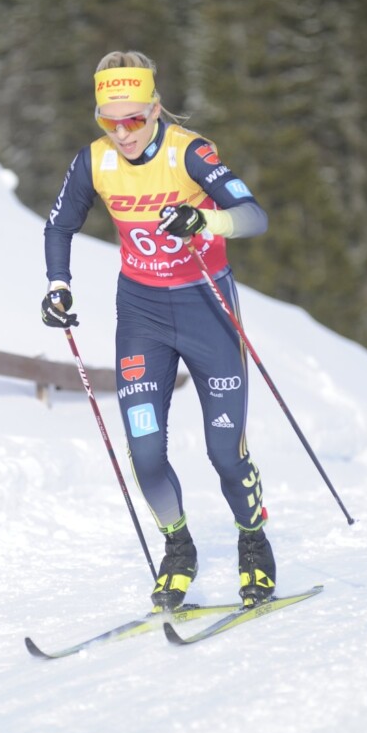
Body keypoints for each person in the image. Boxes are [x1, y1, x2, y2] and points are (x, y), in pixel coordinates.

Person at [42, 50, 276, 610]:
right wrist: (58, 285)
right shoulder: (94, 161)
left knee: (225, 452)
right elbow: (59, 225)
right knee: (145, 451)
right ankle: (179, 549)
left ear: (154, 108)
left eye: (133, 119)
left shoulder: (188, 152)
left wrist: (204, 219)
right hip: (141, 316)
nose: (122, 133)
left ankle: (253, 541)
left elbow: (253, 215)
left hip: (206, 307)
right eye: (109, 121)